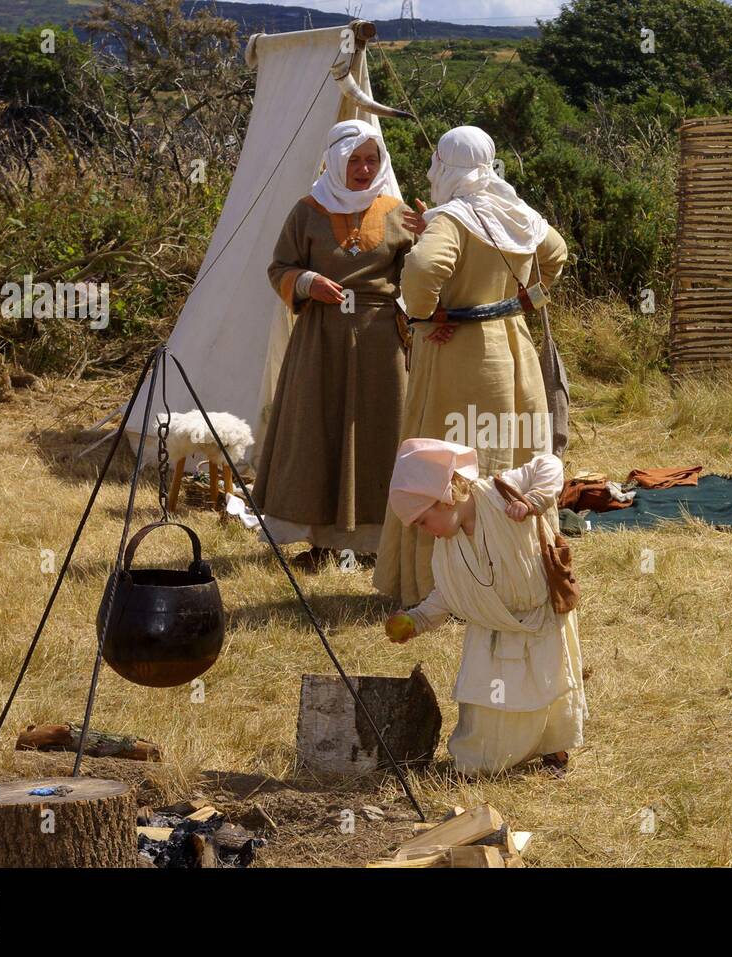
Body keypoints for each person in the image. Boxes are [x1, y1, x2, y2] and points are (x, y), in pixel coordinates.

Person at [374, 126, 569, 604]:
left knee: (452, 459)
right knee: (510, 454)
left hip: (459, 354)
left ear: (445, 165)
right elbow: (557, 252)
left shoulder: (454, 219)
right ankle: (512, 574)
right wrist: (526, 294)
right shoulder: (514, 211)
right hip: (514, 351)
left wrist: (425, 315)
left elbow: (421, 272)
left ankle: (445, 585)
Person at [253, 119, 425, 570]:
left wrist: (429, 234)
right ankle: (321, 541)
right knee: (318, 432)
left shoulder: (398, 211)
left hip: (380, 339)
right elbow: (279, 268)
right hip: (321, 339)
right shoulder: (307, 211)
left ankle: (375, 543)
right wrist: (308, 282)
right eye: (355, 160)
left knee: (379, 433)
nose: (364, 168)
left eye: (372, 159)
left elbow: (420, 272)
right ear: (335, 160)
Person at [382, 438, 586, 776]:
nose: (425, 531)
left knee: (546, 688)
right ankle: (485, 759)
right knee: (486, 715)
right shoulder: (449, 547)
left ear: (445, 497)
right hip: (491, 628)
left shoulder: (499, 492)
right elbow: (448, 594)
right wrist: (415, 620)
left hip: (539, 616)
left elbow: (549, 463)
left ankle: (553, 751)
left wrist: (533, 500)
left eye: (422, 521)